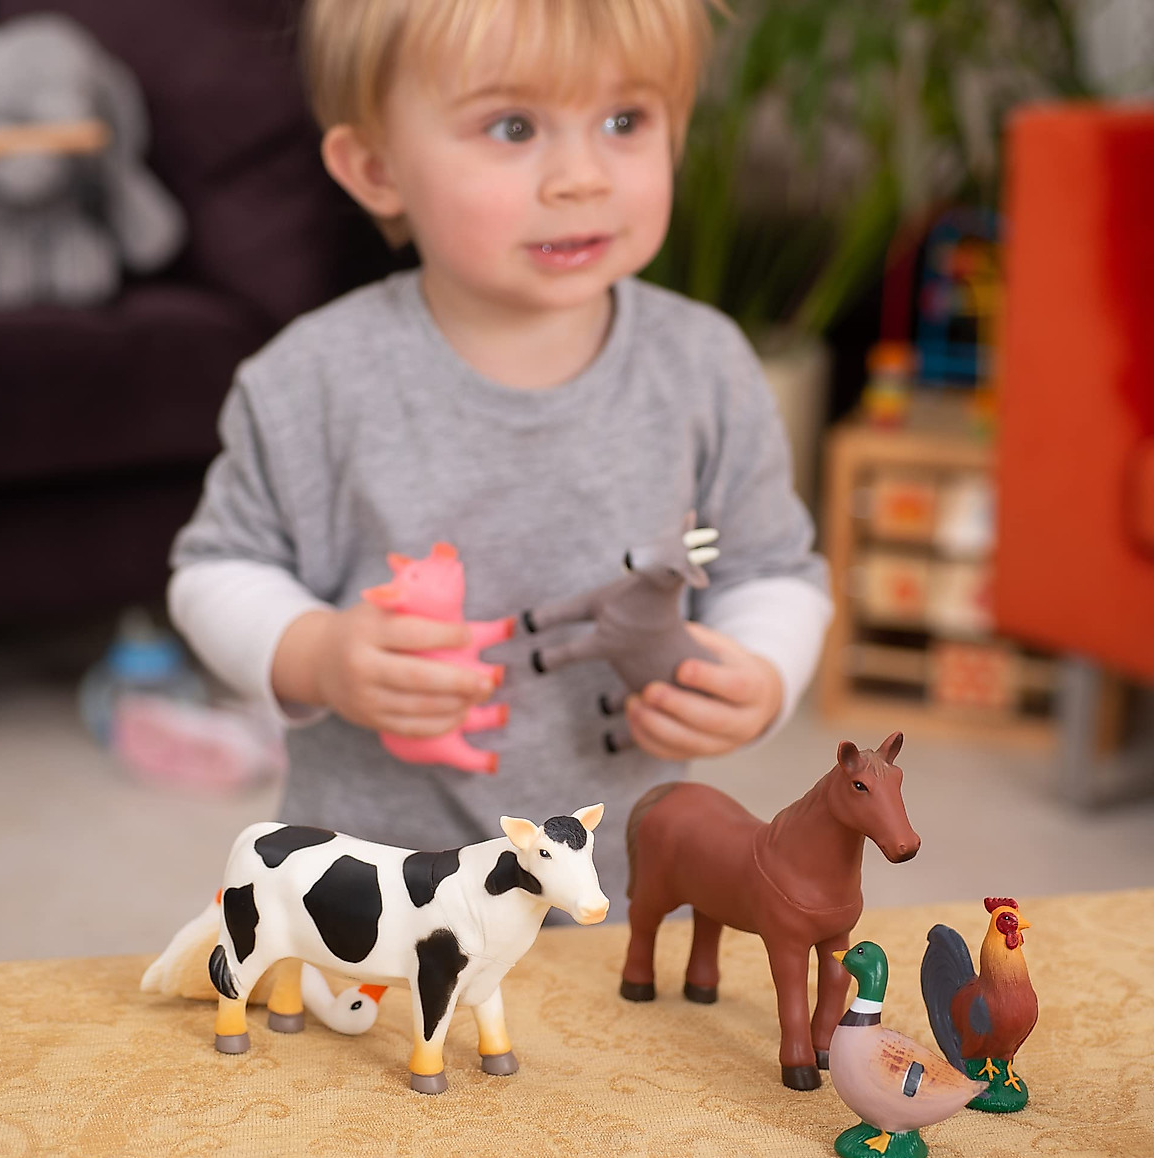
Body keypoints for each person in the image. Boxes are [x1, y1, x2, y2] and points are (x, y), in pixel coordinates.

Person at [168, 0, 833, 905]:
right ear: (376, 169)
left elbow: (773, 570)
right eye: (514, 127)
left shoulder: (706, 367)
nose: (582, 177)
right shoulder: (309, 380)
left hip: (620, 887)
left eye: (625, 121)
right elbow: (216, 569)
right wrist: (315, 655)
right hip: (372, 897)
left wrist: (762, 672)